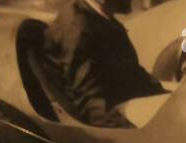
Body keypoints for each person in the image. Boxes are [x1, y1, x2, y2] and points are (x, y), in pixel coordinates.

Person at [42, 0, 165, 128]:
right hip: (109, 114)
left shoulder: (101, 17)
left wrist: (164, 96)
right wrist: (135, 131)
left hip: (121, 102)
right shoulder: (77, 27)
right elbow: (90, 103)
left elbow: (131, 72)